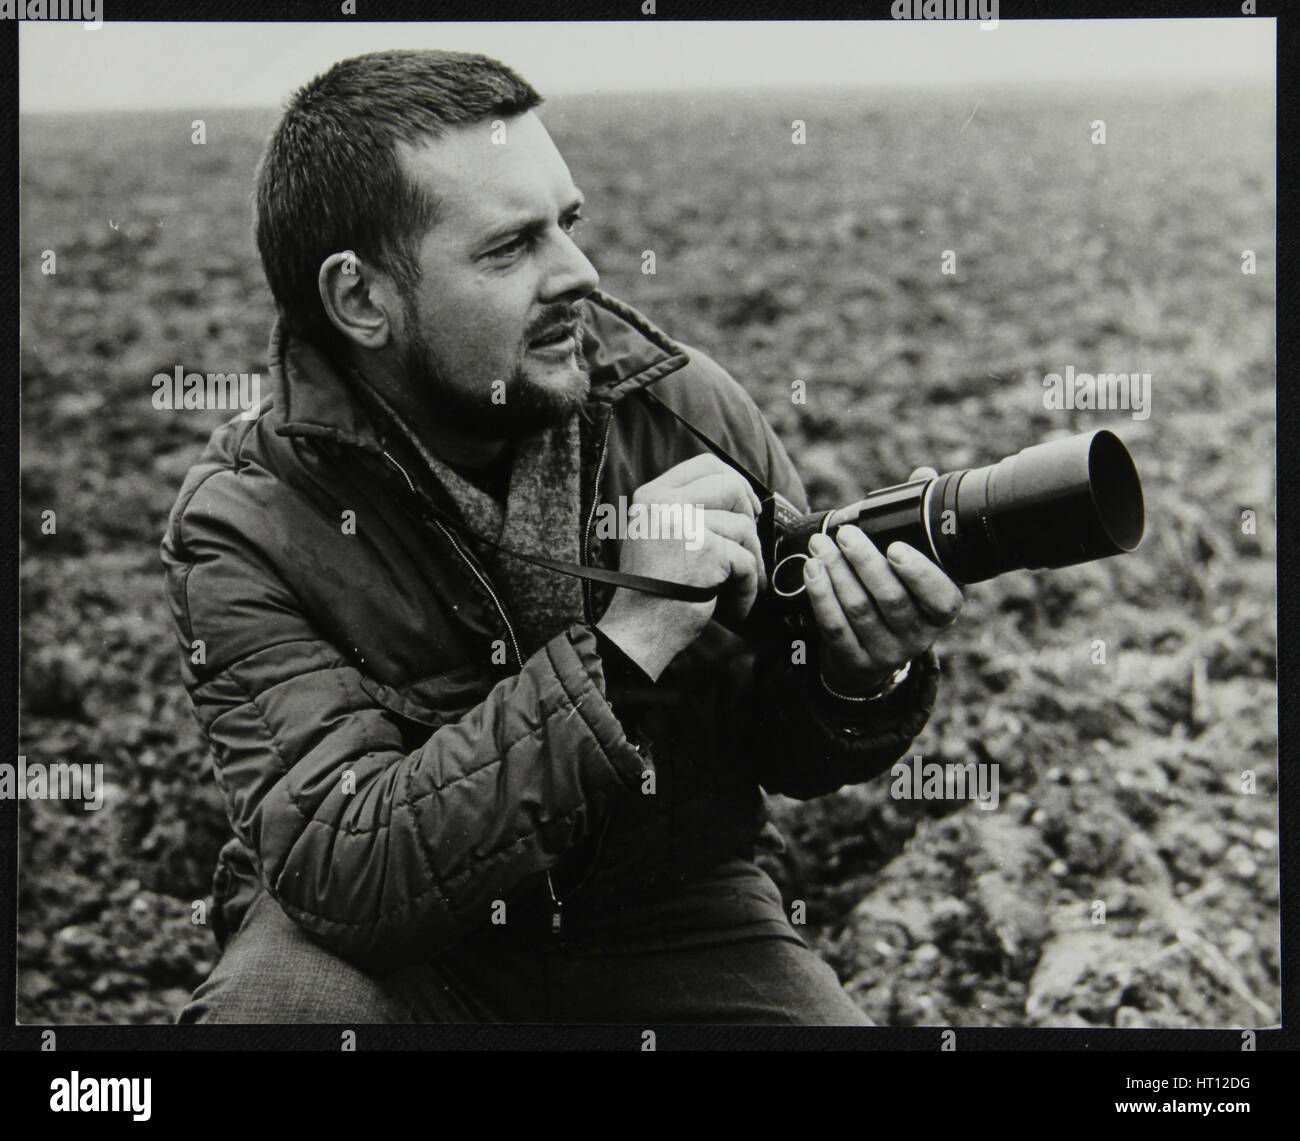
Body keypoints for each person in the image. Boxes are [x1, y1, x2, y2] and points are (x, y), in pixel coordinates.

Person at [161, 49, 965, 1025]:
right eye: (509, 248)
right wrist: (627, 645)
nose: (577, 274)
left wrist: (854, 675)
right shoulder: (245, 521)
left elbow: (782, 747)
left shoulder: (681, 407)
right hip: (393, 950)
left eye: (567, 225)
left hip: (667, 906)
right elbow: (349, 870)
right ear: (360, 300)